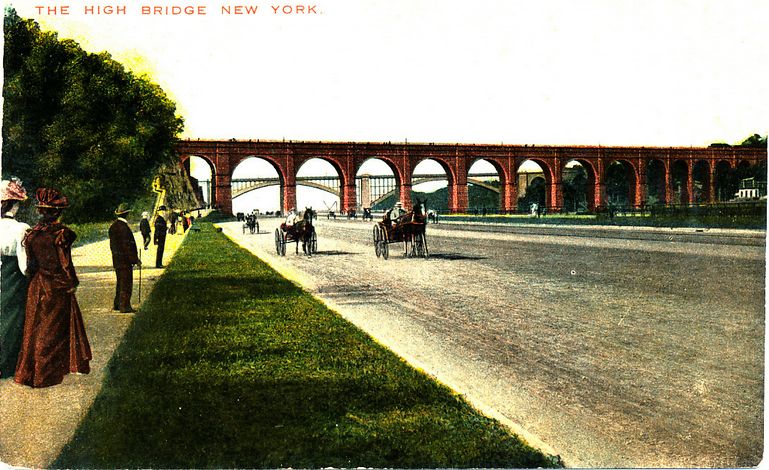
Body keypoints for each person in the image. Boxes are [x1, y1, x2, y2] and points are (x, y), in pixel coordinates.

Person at [14, 188, 92, 388]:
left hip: (37, 285)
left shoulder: (32, 234)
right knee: (52, 330)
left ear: (42, 212)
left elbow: (31, 265)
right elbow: (66, 263)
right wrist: (72, 282)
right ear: (57, 212)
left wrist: (36, 279)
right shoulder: (62, 234)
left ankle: (30, 373)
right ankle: (45, 375)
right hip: (56, 286)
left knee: (35, 328)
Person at [1, 178, 30, 379]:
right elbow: (24, 263)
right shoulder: (21, 228)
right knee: (12, 320)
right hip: (14, 277)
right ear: (15, 205)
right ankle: (7, 364)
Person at [109, 203, 141, 313]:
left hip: (117, 259)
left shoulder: (113, 227)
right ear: (127, 214)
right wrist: (135, 259)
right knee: (126, 283)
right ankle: (125, 306)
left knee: (120, 282)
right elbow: (128, 246)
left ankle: (117, 303)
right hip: (125, 260)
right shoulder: (124, 228)